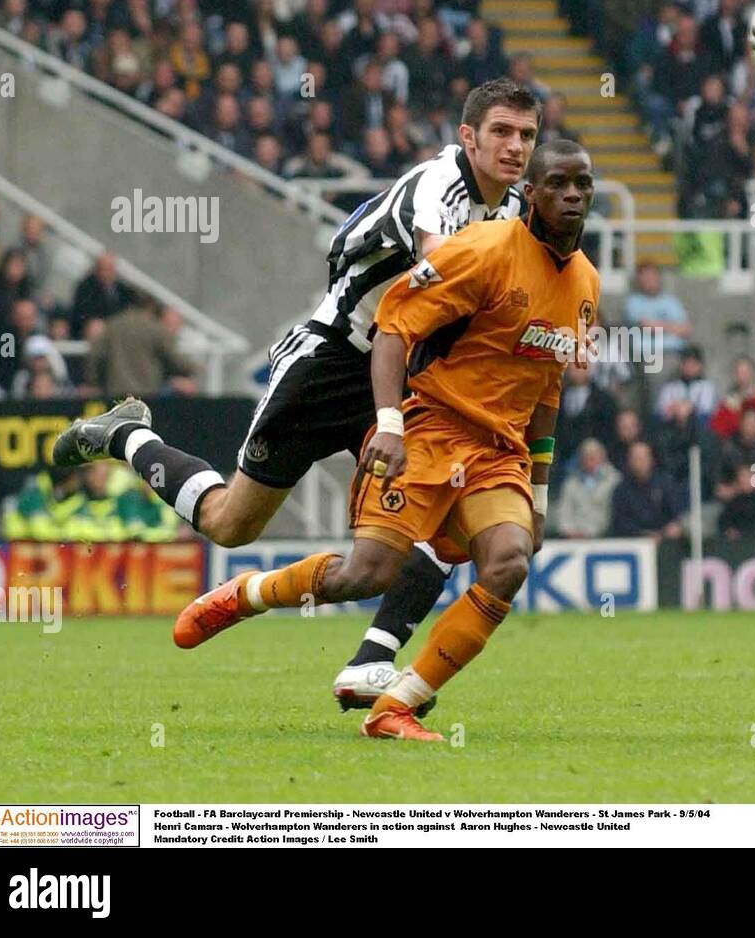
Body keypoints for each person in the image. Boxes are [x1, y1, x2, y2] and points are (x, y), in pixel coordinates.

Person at [50, 79, 540, 711]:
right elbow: (441, 276)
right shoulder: (438, 183)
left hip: (401, 380)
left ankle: (372, 659)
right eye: (501, 132)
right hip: (332, 362)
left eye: (526, 135)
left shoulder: (514, 210)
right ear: (467, 137)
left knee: (448, 511)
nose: (515, 147)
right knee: (231, 524)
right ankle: (127, 435)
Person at [171, 141, 600, 744]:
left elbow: (549, 385)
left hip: (499, 449)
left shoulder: (585, 283)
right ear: (530, 194)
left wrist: (541, 491)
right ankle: (247, 594)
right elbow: (394, 327)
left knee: (508, 562)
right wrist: (391, 424)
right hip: (432, 428)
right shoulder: (481, 250)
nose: (574, 195)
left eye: (583, 183)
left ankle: (395, 705)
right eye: (558, 184)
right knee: (364, 574)